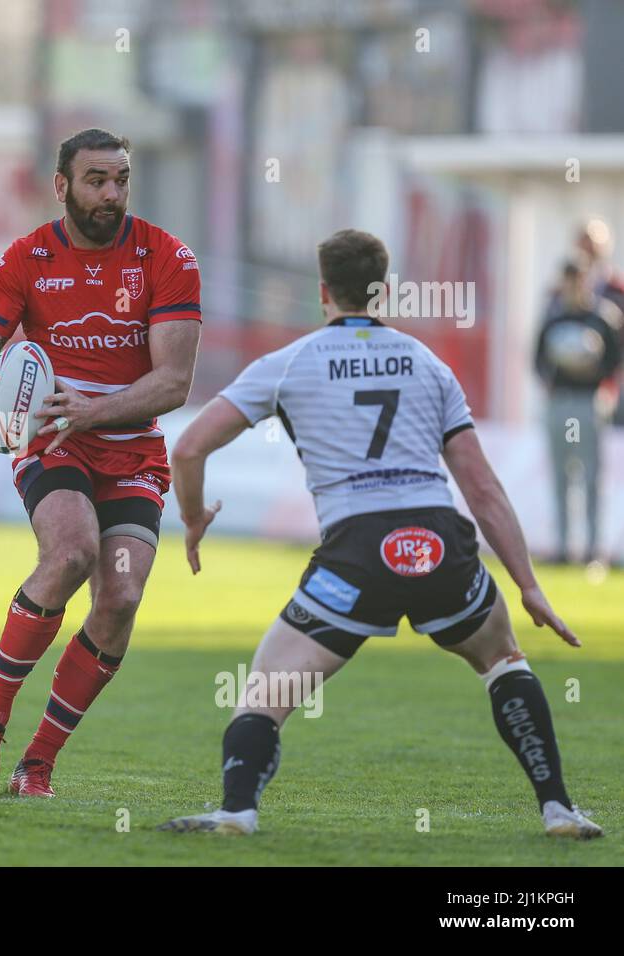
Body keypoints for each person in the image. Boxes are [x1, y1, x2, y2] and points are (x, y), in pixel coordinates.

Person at [161, 229, 600, 839]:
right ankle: (558, 810)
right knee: (503, 661)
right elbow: (482, 487)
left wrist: (191, 517)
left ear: (323, 292)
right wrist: (527, 585)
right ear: (384, 290)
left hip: (356, 555)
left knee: (265, 691)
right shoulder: (428, 364)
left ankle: (237, 811)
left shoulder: (289, 362)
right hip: (440, 543)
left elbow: (187, 448)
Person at [0, 128, 202, 797]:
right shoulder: (27, 258)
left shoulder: (168, 257)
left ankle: (39, 761)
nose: (110, 194)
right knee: (70, 553)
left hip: (133, 449)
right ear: (61, 186)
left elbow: (175, 383)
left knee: (120, 598)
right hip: (53, 439)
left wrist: (96, 407)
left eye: (120, 180)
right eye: (96, 180)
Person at [534, 255, 621, 564]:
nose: (575, 285)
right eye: (570, 279)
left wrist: (596, 378)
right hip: (563, 404)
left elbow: (614, 360)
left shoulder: (602, 318)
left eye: (580, 278)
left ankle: (594, 549)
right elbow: (538, 359)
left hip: (587, 404)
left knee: (590, 473)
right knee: (563, 472)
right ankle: (562, 546)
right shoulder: (554, 318)